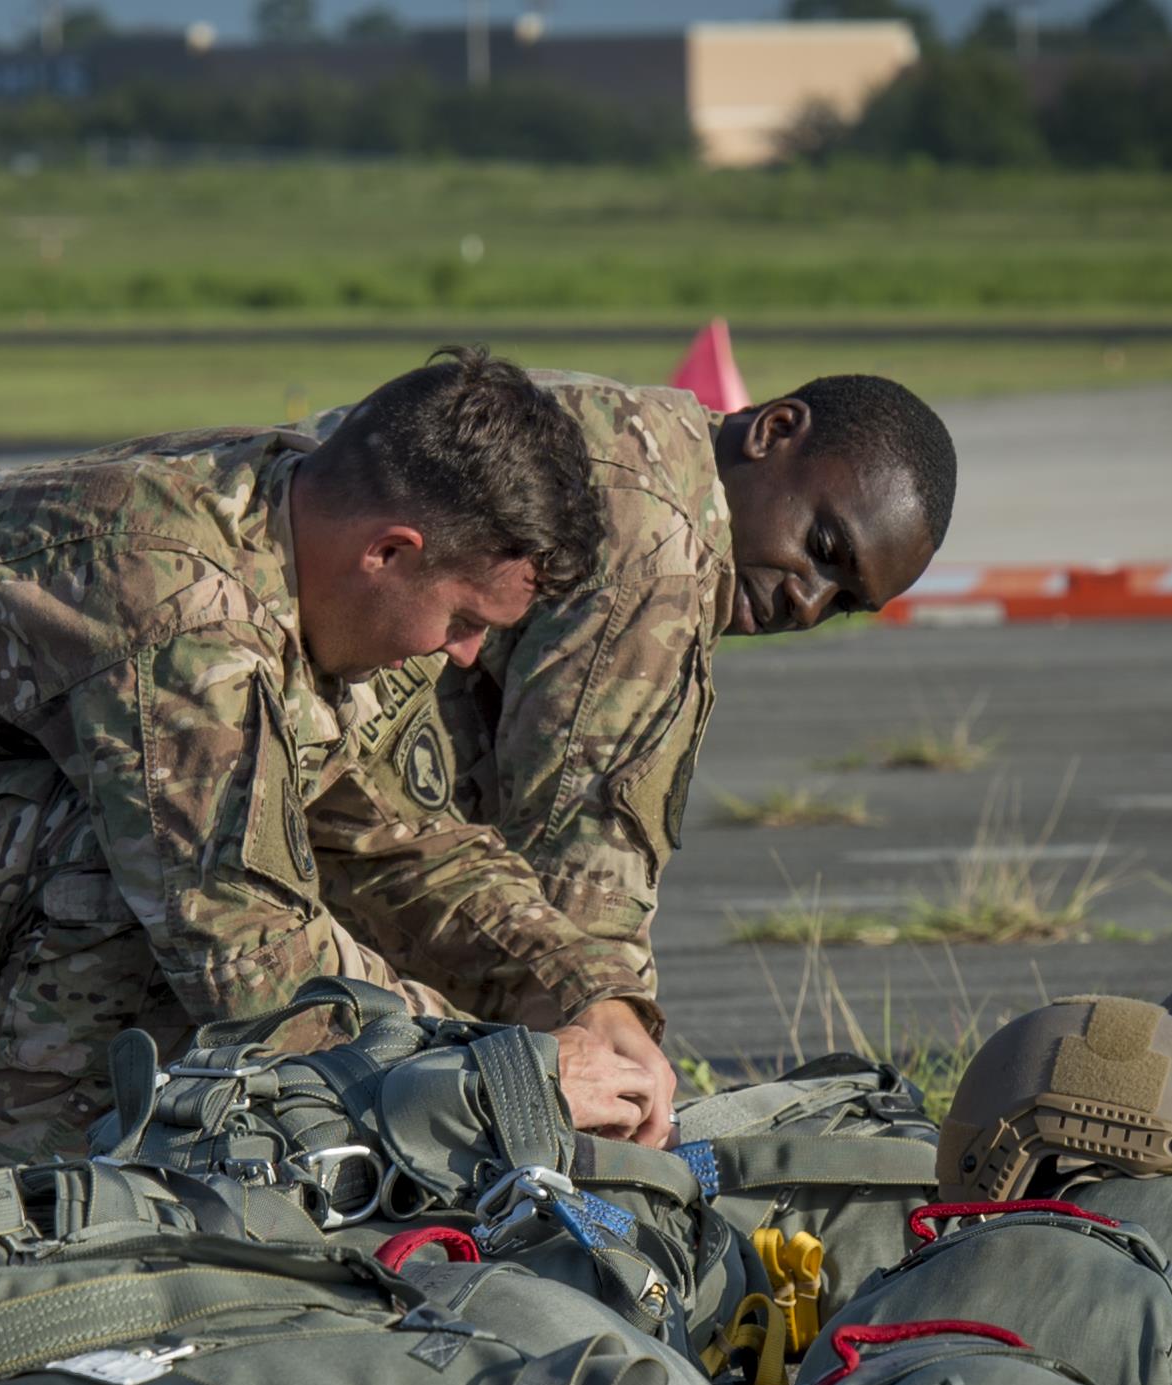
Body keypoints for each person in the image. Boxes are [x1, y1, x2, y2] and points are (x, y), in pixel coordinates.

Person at [0, 349, 681, 1175]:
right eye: (465, 619)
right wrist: (514, 1073)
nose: (464, 656)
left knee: (187, 876)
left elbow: (397, 839)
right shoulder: (176, 602)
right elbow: (250, 963)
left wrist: (584, 992)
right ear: (388, 551)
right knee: (133, 865)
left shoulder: (296, 544)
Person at [318, 371, 956, 1009]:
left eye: (844, 602)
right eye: (823, 547)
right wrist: (616, 1034)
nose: (808, 602)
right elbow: (579, 892)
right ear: (774, 431)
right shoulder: (660, 550)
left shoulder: (628, 433)